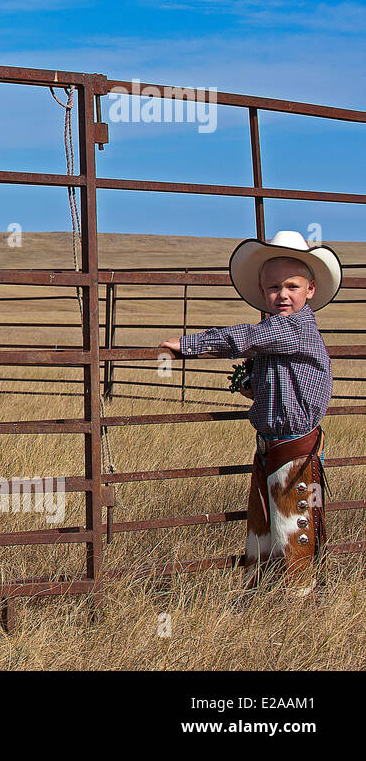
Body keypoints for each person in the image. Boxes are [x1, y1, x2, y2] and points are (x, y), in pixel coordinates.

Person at [160, 230, 342, 593]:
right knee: (265, 532)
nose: (283, 294)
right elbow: (275, 370)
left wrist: (190, 345)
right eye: (274, 287)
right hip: (273, 447)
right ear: (263, 291)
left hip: (294, 450)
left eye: (292, 285)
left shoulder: (294, 327)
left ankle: (299, 610)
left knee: (294, 533)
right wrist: (253, 386)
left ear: (311, 290)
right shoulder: (277, 334)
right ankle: (260, 603)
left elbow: (243, 338)